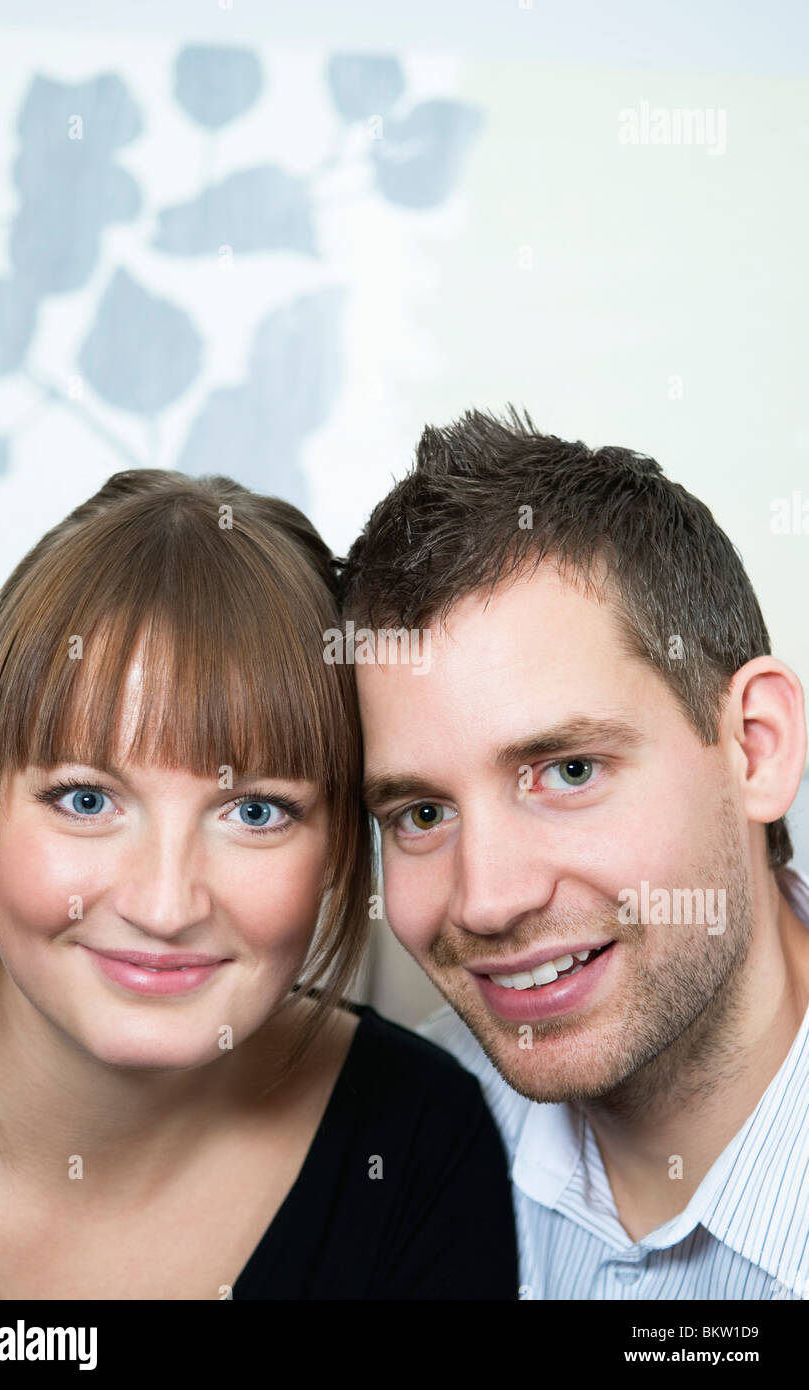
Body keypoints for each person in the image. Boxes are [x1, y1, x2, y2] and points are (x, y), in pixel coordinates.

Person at [0, 467, 518, 1301]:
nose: (164, 906)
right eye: (87, 799)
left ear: (335, 850)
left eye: (255, 813)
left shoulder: (417, 1144)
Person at [341, 407, 809, 1300]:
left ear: (756, 747)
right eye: (421, 813)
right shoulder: (382, 1147)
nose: (486, 900)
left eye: (567, 770)